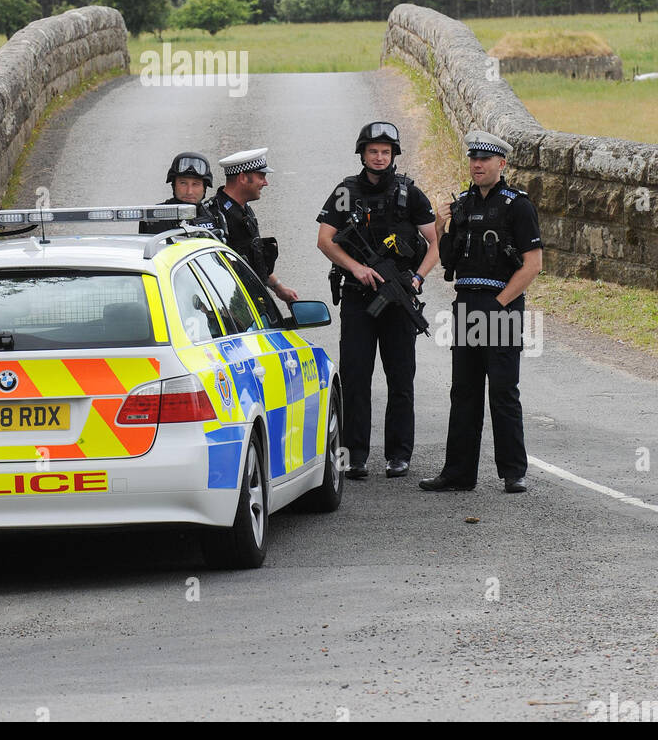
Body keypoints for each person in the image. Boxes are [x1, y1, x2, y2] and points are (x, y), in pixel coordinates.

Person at [420, 131, 543, 495]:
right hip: (466, 306)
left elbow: (532, 264)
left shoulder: (518, 206)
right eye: (473, 158)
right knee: (464, 391)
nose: (477, 164)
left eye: (485, 159)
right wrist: (442, 228)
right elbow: (451, 260)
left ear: (501, 164)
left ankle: (513, 473)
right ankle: (458, 473)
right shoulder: (461, 205)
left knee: (503, 391)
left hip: (500, 308)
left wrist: (501, 303)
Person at [317, 121, 438, 480]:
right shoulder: (345, 192)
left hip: (398, 299)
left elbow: (435, 243)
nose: (380, 157)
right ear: (363, 154)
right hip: (359, 299)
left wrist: (417, 278)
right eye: (374, 151)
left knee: (401, 378)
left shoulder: (410, 193)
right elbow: (325, 240)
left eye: (386, 152)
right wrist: (355, 268)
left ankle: (399, 455)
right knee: (356, 377)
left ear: (394, 155)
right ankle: (355, 456)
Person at [204, 148, 299, 306]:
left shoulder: (243, 209)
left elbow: (254, 258)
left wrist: (279, 288)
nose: (265, 183)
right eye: (261, 177)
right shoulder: (215, 216)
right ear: (242, 177)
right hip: (232, 306)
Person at [138, 152, 217, 234]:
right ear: (174, 185)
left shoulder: (215, 215)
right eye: (183, 183)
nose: (189, 192)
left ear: (204, 188)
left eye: (195, 184)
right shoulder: (155, 217)